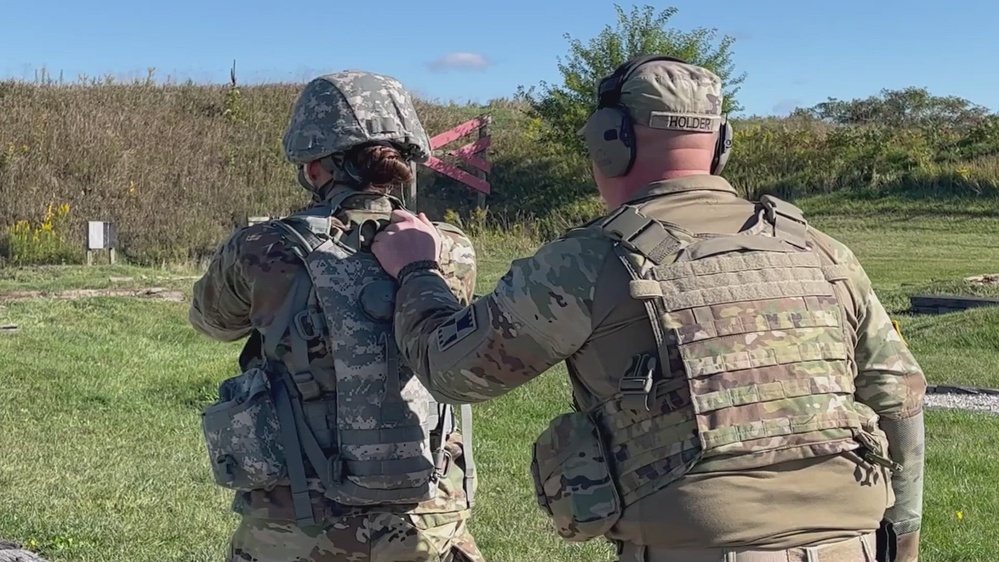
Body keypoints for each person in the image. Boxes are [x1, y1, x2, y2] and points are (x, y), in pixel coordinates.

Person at [370, 56, 925, 562]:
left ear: (610, 143)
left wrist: (419, 270)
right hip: (852, 546)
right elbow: (899, 399)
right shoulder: (820, 250)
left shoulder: (585, 262)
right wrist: (901, 539)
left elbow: (452, 372)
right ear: (721, 142)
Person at [189, 70, 485, 562]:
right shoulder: (451, 248)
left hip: (296, 523)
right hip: (427, 521)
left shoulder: (262, 248)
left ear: (312, 168)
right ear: (406, 164)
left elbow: (212, 322)